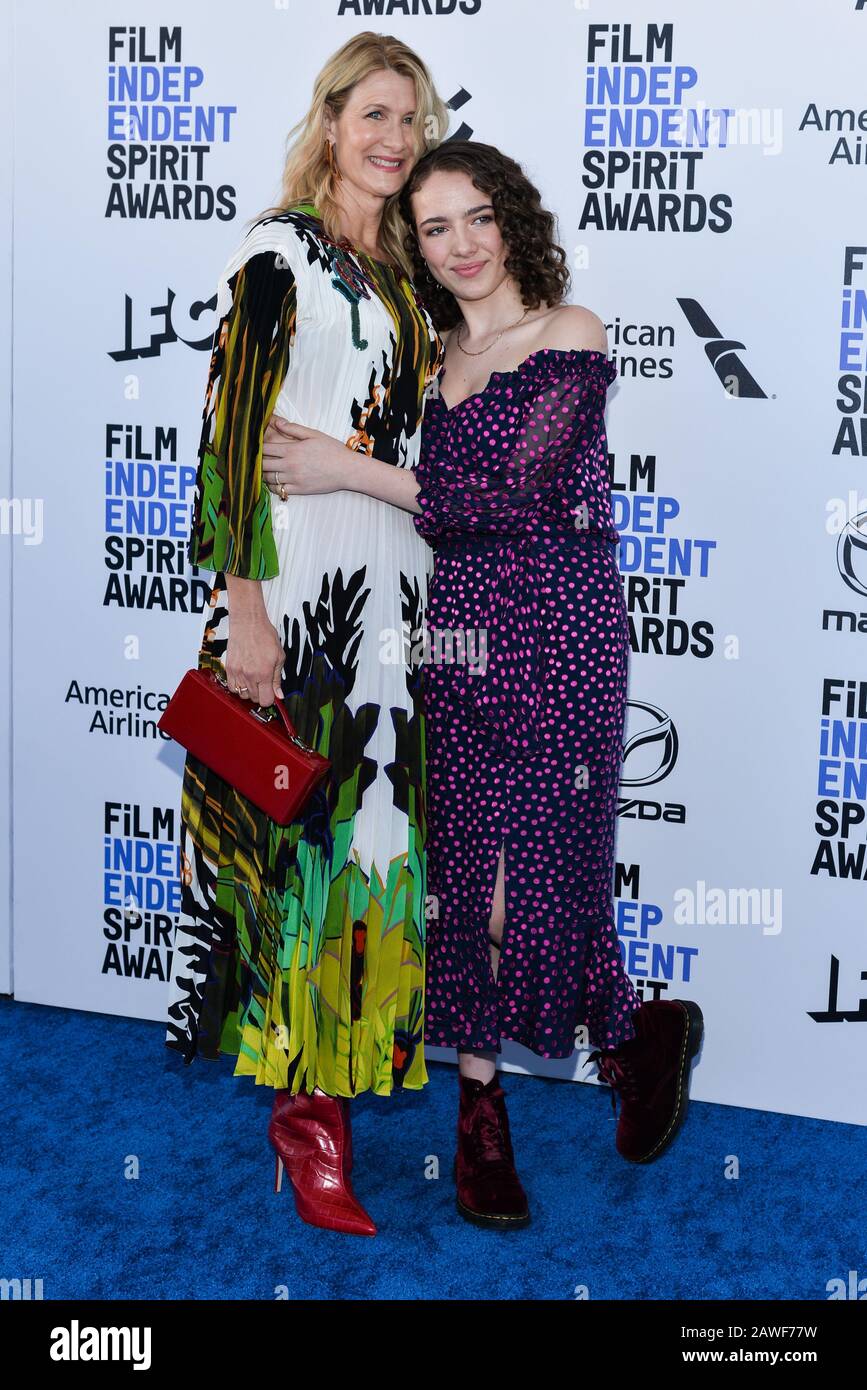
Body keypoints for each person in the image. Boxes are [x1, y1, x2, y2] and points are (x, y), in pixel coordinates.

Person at [262, 140, 704, 1232]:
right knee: (466, 888)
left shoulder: (570, 335)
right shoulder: (425, 365)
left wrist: (345, 466)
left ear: (512, 221)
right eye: (434, 228)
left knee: (535, 888)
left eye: (476, 219)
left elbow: (511, 497)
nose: (459, 246)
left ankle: (631, 1035)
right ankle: (487, 1115)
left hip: (561, 637)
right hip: (452, 643)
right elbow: (422, 502)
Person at [163, 32, 448, 1238]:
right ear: (329, 119)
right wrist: (246, 612)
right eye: (374, 113)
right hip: (306, 580)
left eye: (412, 121)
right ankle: (307, 1118)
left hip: (398, 587)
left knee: (374, 843)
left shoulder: (406, 275)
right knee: (314, 851)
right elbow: (231, 439)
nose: (394, 139)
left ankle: (337, 1076)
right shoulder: (277, 255)